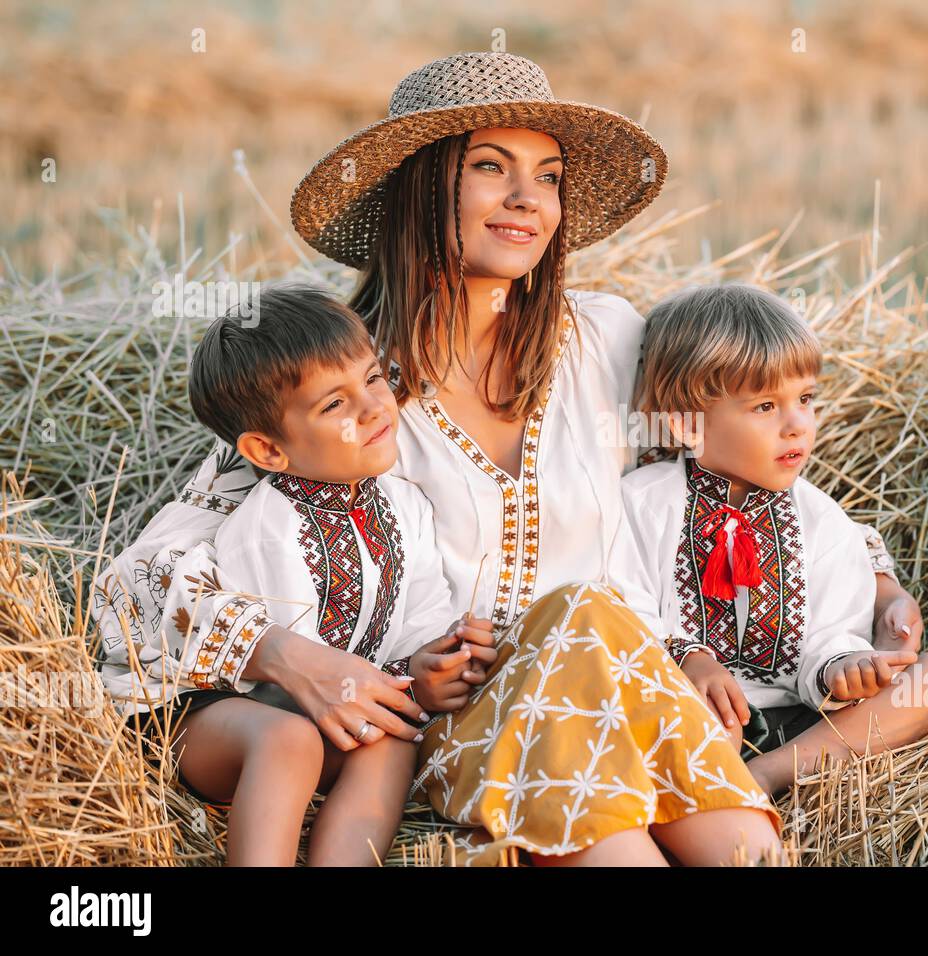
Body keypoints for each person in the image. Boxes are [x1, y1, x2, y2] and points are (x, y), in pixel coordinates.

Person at [93, 51, 875, 865]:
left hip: (623, 688)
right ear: (422, 188)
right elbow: (140, 584)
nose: (527, 199)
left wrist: (876, 575)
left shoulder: (609, 342)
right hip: (463, 726)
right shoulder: (346, 385)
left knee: (742, 843)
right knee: (579, 622)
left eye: (548, 175)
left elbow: (740, 469)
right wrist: (297, 660)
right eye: (490, 168)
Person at [98, 284, 493, 865]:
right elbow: (280, 683)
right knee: (289, 739)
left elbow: (418, 614)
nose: (373, 407)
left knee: (392, 737)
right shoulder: (267, 525)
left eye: (375, 378)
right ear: (267, 449)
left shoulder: (405, 506)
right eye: (334, 405)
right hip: (205, 718)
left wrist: (423, 669)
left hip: (314, 715)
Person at [608, 283, 928, 797]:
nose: (797, 425)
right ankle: (716, 776)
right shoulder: (643, 502)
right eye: (765, 407)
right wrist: (689, 658)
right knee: (687, 721)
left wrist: (843, 667)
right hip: (691, 712)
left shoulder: (821, 519)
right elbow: (621, 603)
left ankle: (769, 773)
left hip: (804, 724)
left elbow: (833, 626)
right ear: (687, 423)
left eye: (805, 399)